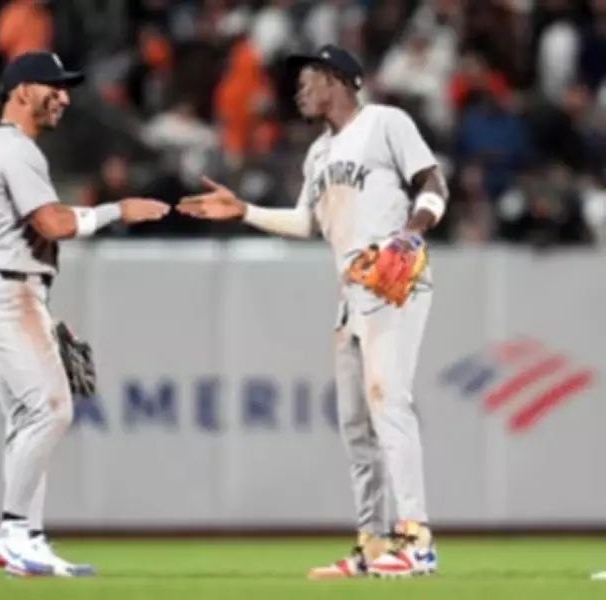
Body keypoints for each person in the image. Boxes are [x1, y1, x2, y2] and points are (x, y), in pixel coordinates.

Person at [177, 45, 447, 578]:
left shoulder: (385, 122)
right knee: (355, 422)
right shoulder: (318, 155)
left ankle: (417, 539)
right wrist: (246, 212)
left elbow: (432, 183)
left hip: (394, 278)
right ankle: (373, 543)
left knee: (388, 400)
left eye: (307, 79)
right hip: (351, 292)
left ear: (337, 79)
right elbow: (307, 223)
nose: (298, 90)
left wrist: (412, 235)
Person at [0, 51, 169, 577]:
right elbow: (52, 223)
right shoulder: (12, 147)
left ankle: (27, 538)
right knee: (52, 410)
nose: (64, 96)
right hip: (8, 290)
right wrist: (117, 210)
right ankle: (12, 532)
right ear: (21, 89)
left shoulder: (3, 148)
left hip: (13, 289)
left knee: (26, 420)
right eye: (53, 86)